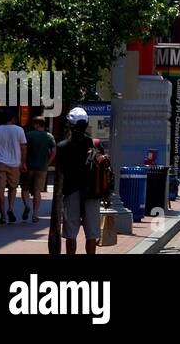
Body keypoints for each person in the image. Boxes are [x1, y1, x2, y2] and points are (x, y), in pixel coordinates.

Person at [57, 107, 102, 255]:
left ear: (70, 125)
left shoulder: (62, 147)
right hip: (92, 193)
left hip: (71, 192)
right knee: (92, 234)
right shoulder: (95, 145)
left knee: (71, 234)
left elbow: (60, 173)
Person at [0, 108, 26, 225]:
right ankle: (10, 208)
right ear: (13, 119)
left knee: (0, 189)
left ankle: (3, 216)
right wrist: (23, 162)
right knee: (13, 187)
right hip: (15, 163)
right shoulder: (19, 130)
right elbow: (24, 147)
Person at [21, 116, 55, 223]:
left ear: (36, 124)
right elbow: (54, 151)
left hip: (29, 166)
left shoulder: (29, 135)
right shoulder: (49, 136)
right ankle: (35, 214)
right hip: (42, 167)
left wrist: (23, 162)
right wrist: (48, 162)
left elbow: (24, 149)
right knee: (37, 191)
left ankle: (27, 205)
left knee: (25, 188)